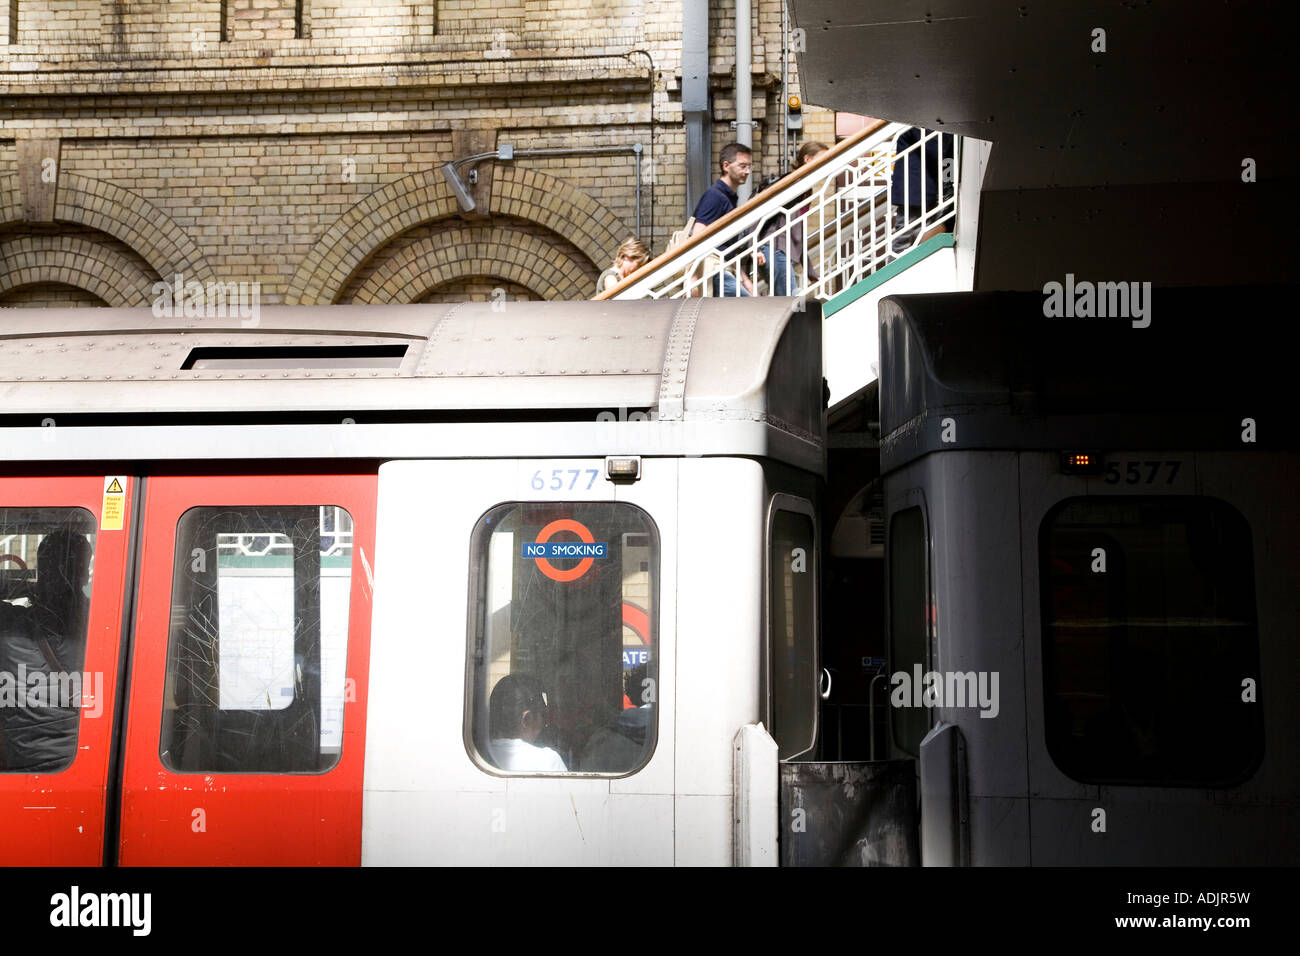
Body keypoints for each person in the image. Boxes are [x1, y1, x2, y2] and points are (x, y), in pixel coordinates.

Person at [0, 529, 93, 774]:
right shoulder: (102, 622)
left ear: (42, 571)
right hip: (83, 753)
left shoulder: (10, 624)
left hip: (20, 756)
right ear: (84, 572)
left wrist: (21, 587)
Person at [756, 140, 830, 296]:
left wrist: (810, 271)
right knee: (792, 302)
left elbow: (797, 232)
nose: (826, 163)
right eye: (823, 158)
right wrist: (755, 248)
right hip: (774, 248)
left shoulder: (805, 188)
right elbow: (759, 210)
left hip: (779, 250)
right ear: (807, 159)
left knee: (788, 301)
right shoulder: (793, 182)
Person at [690, 142, 755, 296]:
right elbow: (697, 234)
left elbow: (727, 247)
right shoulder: (715, 196)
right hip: (714, 269)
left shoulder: (728, 197)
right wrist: (692, 277)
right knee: (750, 309)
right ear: (726, 166)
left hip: (722, 267)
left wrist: (745, 280)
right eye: (742, 166)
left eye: (749, 166)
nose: (747, 171)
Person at [889, 127, 956, 253]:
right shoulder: (917, 125)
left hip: (919, 191)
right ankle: (895, 269)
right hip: (916, 192)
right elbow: (937, 145)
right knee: (905, 241)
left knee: (909, 239)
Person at [487, 673, 567, 772]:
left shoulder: (481, 755)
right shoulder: (548, 761)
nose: (545, 725)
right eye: (543, 715)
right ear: (527, 719)